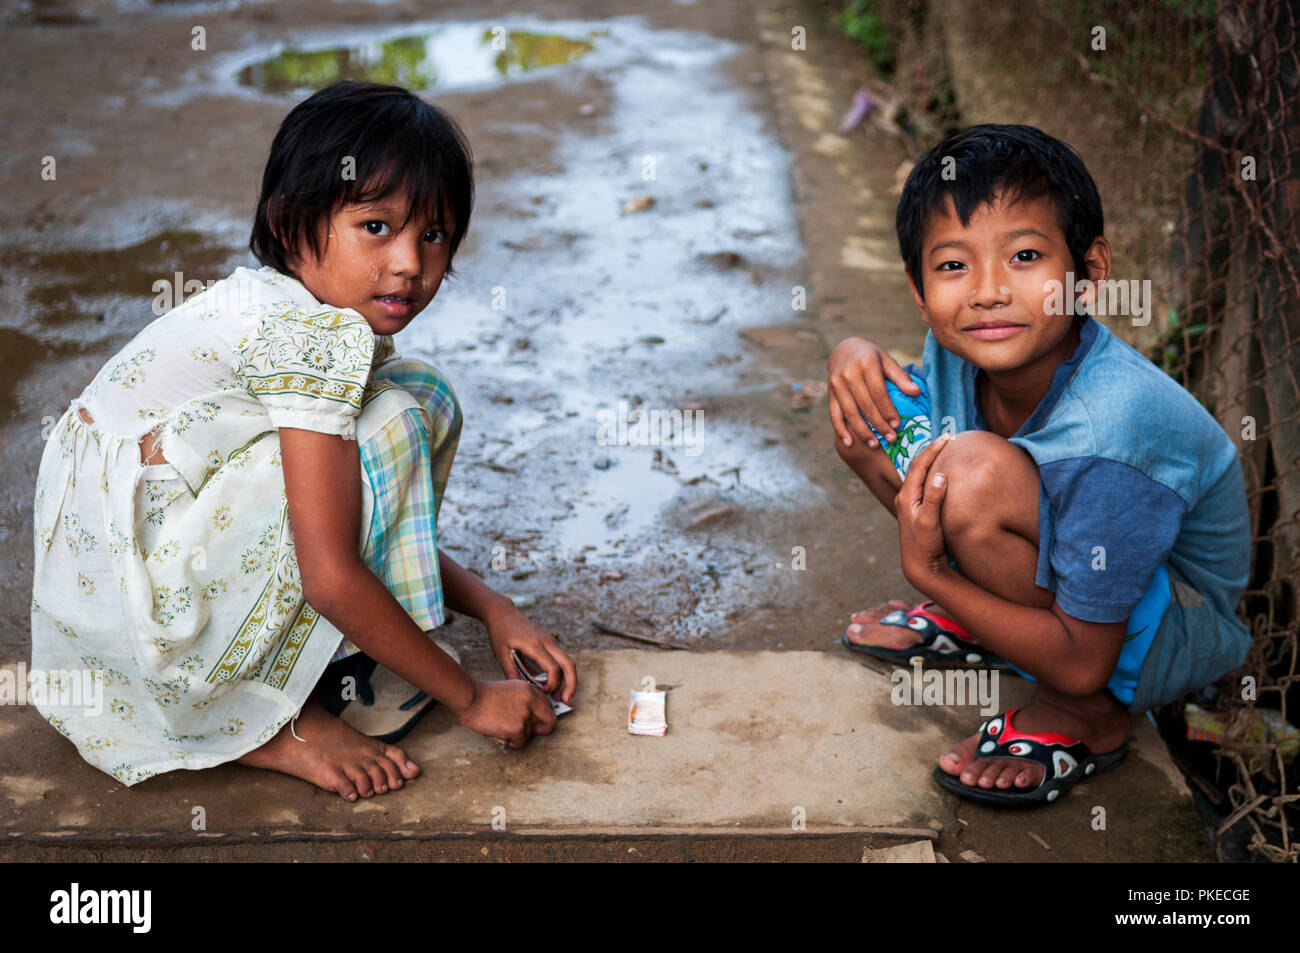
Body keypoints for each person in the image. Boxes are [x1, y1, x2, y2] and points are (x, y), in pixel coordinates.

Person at [30, 80, 576, 802]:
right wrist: (471, 697)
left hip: (130, 570)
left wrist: (493, 605)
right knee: (390, 425)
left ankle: (324, 658)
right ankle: (260, 722)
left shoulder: (293, 311)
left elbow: (344, 515)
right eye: (376, 227)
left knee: (418, 395)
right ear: (291, 227)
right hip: (135, 620)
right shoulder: (305, 335)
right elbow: (329, 570)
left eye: (434, 234)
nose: (411, 262)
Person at [827, 124, 1251, 805]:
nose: (988, 291)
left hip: (1169, 628)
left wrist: (932, 572)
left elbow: (1088, 661)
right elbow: (885, 405)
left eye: (1024, 256)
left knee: (968, 478)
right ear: (916, 285)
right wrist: (847, 352)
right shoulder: (966, 351)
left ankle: (1089, 720)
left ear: (1091, 269)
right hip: (1079, 566)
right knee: (866, 419)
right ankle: (997, 615)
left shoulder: (1113, 428)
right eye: (953, 266)